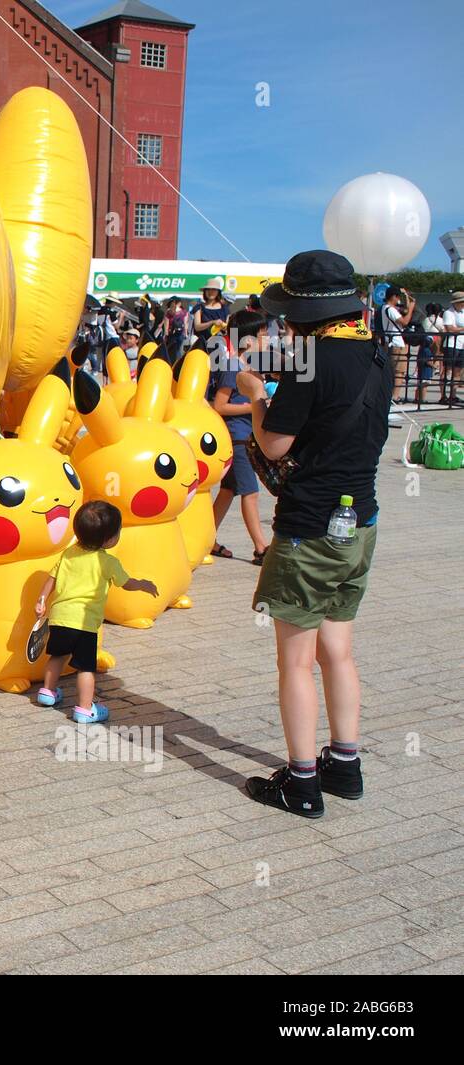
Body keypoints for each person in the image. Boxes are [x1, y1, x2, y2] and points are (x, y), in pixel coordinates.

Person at [239, 250, 393, 818]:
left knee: (295, 661)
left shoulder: (307, 360)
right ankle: (344, 764)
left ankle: (301, 782)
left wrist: (257, 393)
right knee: (338, 651)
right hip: (362, 521)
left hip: (310, 527)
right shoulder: (379, 354)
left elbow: (276, 444)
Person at [33, 501, 158, 724]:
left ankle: (47, 692)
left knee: (57, 656)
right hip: (85, 623)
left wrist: (41, 600)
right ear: (109, 539)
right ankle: (84, 708)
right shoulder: (107, 562)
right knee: (85, 667)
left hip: (60, 617)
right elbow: (126, 583)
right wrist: (143, 584)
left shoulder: (68, 554)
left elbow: (51, 578)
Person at [210, 308, 270, 563]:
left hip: (247, 436)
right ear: (248, 340)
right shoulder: (233, 366)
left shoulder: (249, 366)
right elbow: (219, 405)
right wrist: (254, 406)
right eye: (263, 335)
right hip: (237, 439)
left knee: (228, 491)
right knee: (251, 492)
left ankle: (205, 539)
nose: (267, 340)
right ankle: (261, 548)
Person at [379, 285, 414, 401]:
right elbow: (404, 322)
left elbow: (405, 310)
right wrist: (412, 308)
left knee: (389, 371)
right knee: (399, 371)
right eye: (398, 297)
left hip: (388, 342)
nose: (399, 300)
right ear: (394, 296)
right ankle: (395, 396)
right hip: (396, 343)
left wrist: (407, 299)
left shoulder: (383, 308)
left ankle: (389, 394)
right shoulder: (391, 309)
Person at [417, 303, 445, 405]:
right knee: (426, 377)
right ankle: (422, 399)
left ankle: (418, 397)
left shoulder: (425, 319)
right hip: (434, 346)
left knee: (421, 375)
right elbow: (443, 331)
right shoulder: (440, 321)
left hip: (424, 345)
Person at [191, 277, 231, 348]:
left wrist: (223, 327)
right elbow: (197, 327)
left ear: (218, 292)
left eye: (214, 289)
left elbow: (228, 328)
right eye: (208, 289)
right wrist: (212, 322)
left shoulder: (224, 309)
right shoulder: (199, 307)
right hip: (202, 346)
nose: (211, 292)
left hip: (220, 345)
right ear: (205, 291)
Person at [443, 291, 464, 405]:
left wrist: (459, 328)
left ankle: (453, 395)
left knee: (457, 371)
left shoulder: (462, 312)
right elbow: (450, 328)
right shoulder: (448, 312)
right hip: (451, 344)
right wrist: (462, 329)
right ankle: (443, 395)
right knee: (447, 370)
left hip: (461, 344)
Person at [156, 297, 189, 363]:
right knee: (178, 349)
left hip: (172, 335)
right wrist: (186, 334)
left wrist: (165, 335)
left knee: (171, 349)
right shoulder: (184, 312)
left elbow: (166, 326)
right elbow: (185, 324)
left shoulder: (168, 312)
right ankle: (178, 363)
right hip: (180, 334)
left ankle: (171, 364)